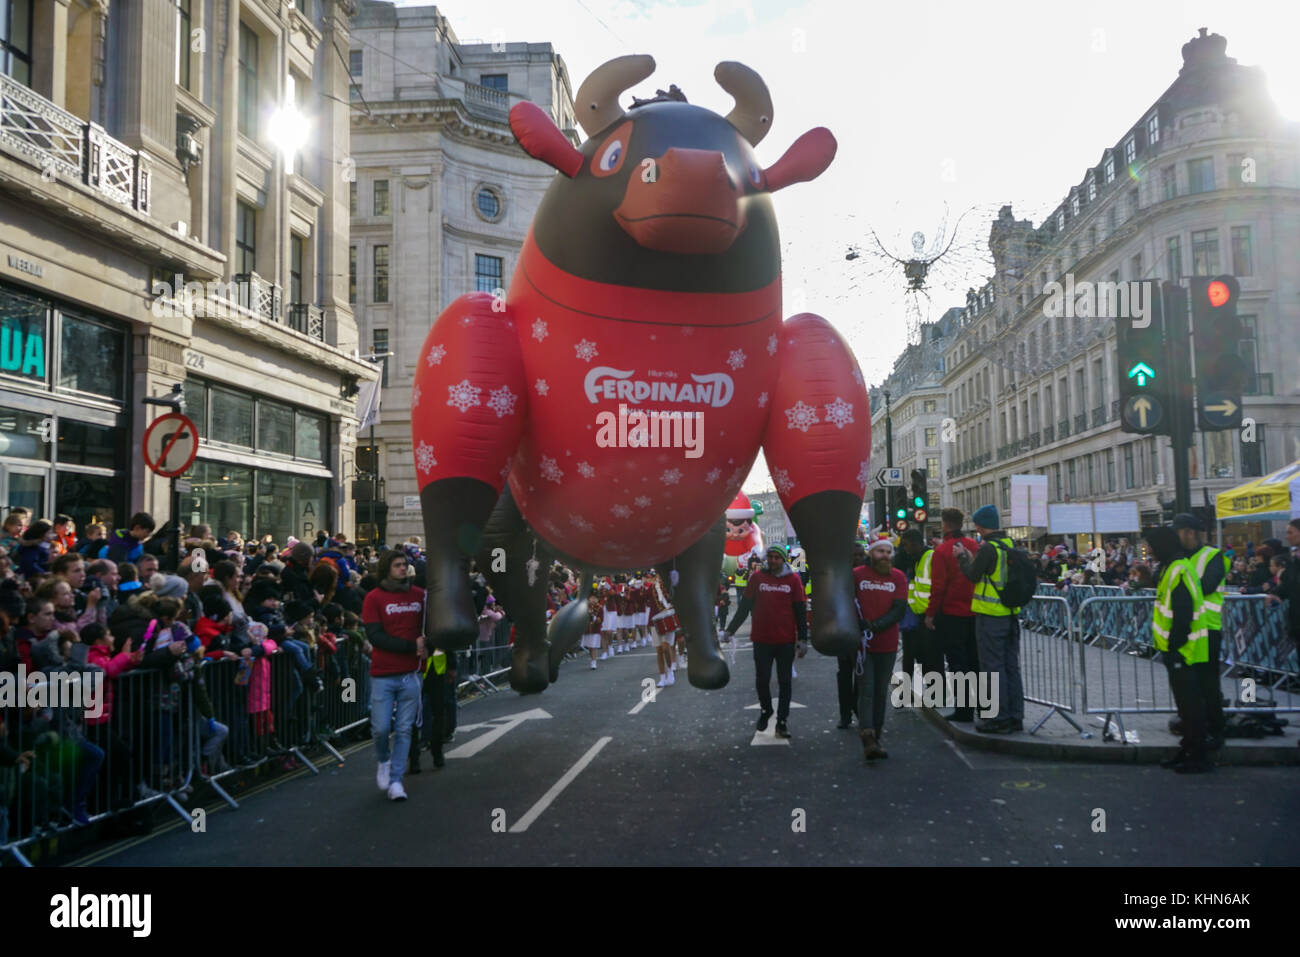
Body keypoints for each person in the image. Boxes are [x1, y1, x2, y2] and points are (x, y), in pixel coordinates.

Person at [722, 544, 808, 739]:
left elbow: (800, 611)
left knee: (785, 681)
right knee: (762, 680)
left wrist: (803, 639)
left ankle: (782, 722)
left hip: (785, 640)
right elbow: (744, 608)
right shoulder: (757, 578)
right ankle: (766, 710)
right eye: (770, 557)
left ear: (783, 559)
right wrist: (729, 630)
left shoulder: (793, 580)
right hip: (761, 639)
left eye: (777, 557)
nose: (773, 561)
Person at [1145, 526, 1213, 773]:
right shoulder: (1172, 568)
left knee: (1191, 706)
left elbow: (1183, 614)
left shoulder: (1178, 570)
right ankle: (1188, 750)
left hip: (1185, 649)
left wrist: (1174, 646)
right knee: (1185, 707)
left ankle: (1198, 756)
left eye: (1151, 545)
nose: (1149, 550)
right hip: (1179, 648)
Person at [952, 505, 1024, 734]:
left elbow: (972, 575)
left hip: (990, 616)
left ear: (981, 526)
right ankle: (1015, 716)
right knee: (1011, 667)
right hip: (1011, 615)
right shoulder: (1010, 546)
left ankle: (998, 718)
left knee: (993, 668)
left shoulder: (988, 549)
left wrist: (962, 557)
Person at [362, 549, 425, 801]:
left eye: (405, 565)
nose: (403, 569)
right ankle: (383, 761)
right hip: (383, 674)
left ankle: (397, 781)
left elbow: (432, 625)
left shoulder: (420, 595)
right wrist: (412, 647)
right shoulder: (374, 598)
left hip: (411, 674)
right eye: (398, 565)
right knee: (380, 728)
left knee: (404, 730)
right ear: (387, 568)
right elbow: (375, 636)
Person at [1173, 513, 1227, 751]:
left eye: (1178, 533)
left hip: (1208, 629)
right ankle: (1194, 728)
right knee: (1188, 686)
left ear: (1189, 532)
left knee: (1208, 684)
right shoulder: (1179, 558)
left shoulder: (1215, 556)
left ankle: (1216, 731)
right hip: (1184, 630)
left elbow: (1206, 586)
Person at [853, 538, 908, 760]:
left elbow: (899, 610)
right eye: (880, 551)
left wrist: (874, 625)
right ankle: (867, 736)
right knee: (866, 690)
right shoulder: (857, 575)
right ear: (871, 554)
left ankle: (877, 734)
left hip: (887, 642)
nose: (884, 555)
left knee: (880, 691)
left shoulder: (898, 577)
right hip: (863, 645)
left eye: (888, 552)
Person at [924, 508, 980, 722]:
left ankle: (964, 710)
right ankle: (985, 707)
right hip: (976, 611)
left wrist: (930, 614)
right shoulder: (975, 546)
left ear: (945, 524)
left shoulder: (942, 551)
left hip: (952, 613)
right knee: (977, 661)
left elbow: (938, 587)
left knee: (958, 662)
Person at [836, 542, 868, 729]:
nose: (858, 559)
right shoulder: (842, 577)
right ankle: (845, 714)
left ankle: (857, 708)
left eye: (860, 555)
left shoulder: (868, 575)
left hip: (864, 632)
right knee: (845, 674)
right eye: (854, 556)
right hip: (845, 631)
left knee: (862, 675)